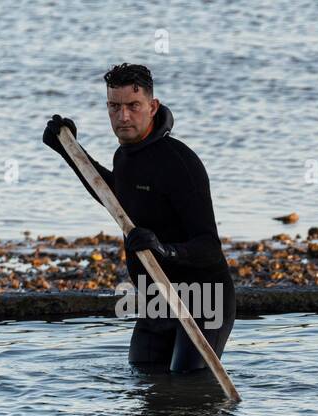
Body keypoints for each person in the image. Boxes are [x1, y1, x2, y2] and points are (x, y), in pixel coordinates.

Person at [43, 63, 235, 373]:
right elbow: (114, 197)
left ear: (152, 106)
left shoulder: (179, 163)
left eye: (133, 106)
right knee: (144, 384)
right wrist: (70, 150)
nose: (123, 117)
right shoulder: (125, 156)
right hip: (156, 299)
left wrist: (164, 249)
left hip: (204, 300)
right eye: (114, 106)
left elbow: (209, 247)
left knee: (189, 393)